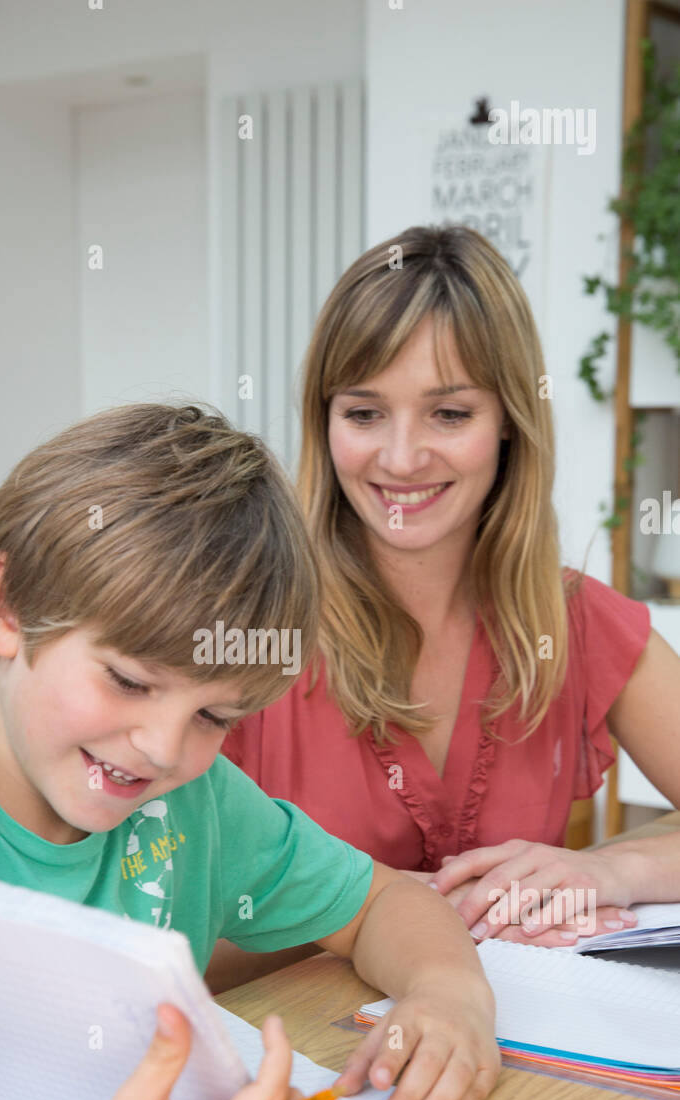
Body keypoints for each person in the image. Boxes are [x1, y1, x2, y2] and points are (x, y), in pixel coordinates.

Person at [0, 402, 499, 1100]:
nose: (162, 748)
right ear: (5, 607)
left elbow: (385, 901)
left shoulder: (191, 802)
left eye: (214, 715)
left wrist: (450, 994)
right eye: (130, 682)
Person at [218, 224, 680, 988]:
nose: (400, 458)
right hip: (298, 1073)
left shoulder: (576, 622)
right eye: (364, 414)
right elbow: (158, 932)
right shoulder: (244, 629)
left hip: (517, 1075)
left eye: (450, 414)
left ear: (510, 425)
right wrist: (375, 911)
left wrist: (608, 871)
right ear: (324, 422)